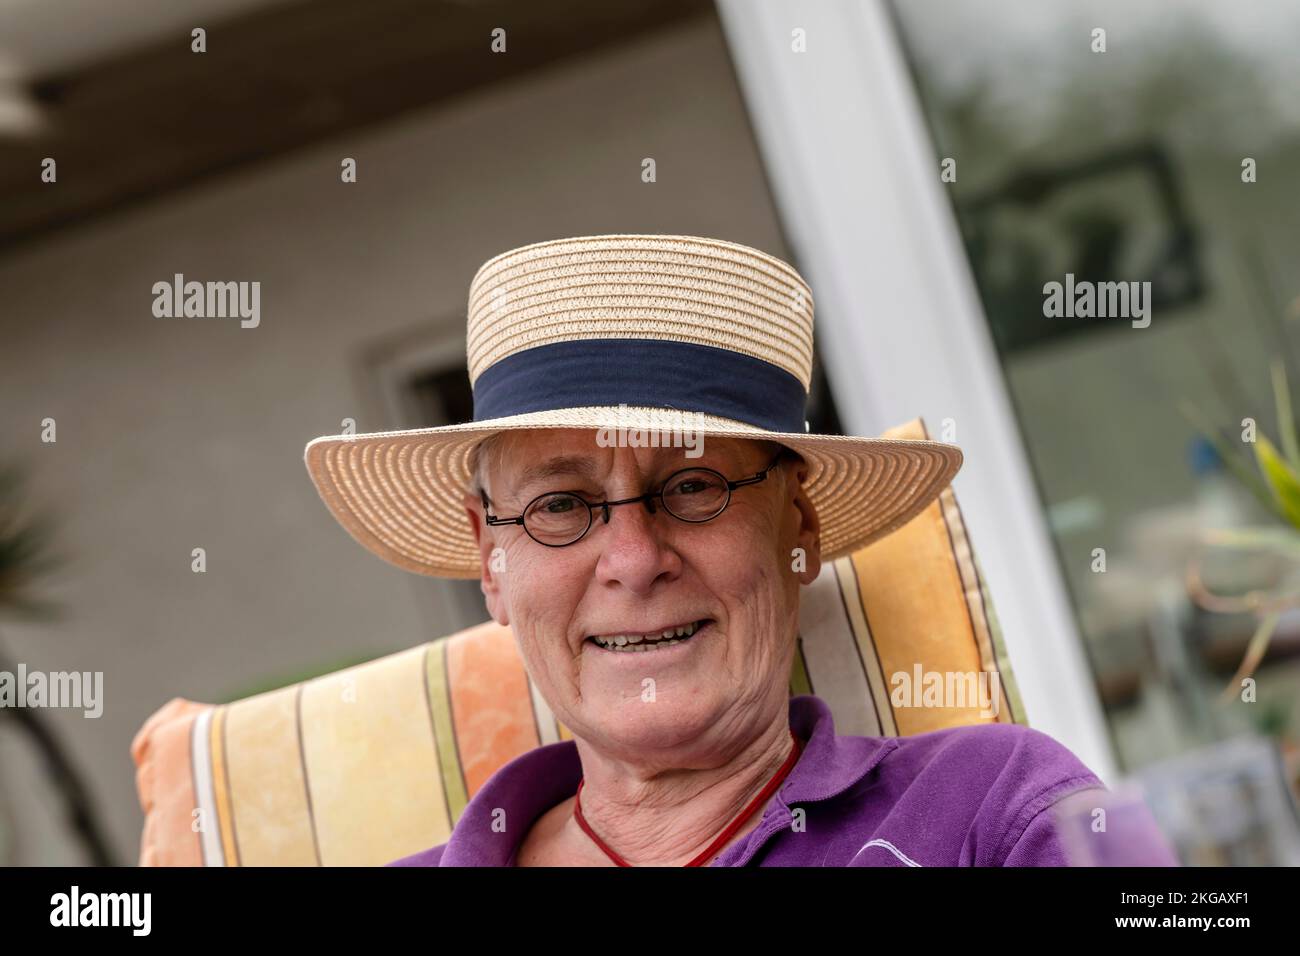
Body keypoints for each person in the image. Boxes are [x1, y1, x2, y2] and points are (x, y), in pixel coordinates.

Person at [303, 234, 1178, 866]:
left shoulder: (989, 806)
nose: (635, 559)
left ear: (798, 529)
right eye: (561, 505)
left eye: (693, 488)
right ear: (489, 561)